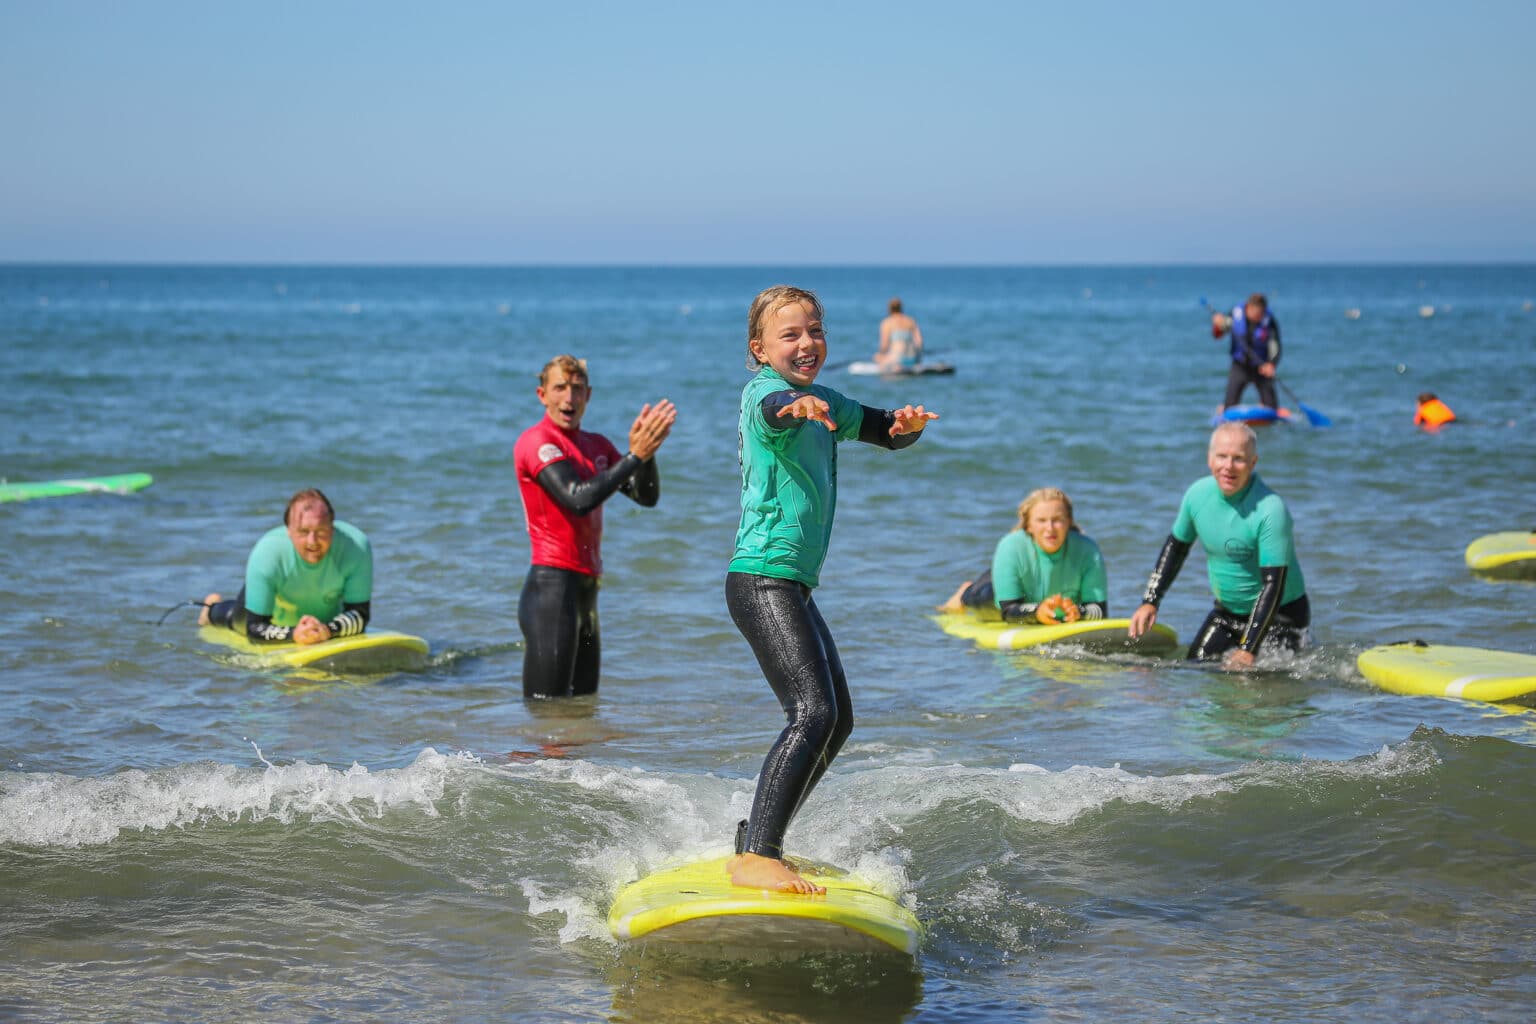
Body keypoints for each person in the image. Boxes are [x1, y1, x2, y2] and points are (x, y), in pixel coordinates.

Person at [727, 285, 937, 893]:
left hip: (791, 585)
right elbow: (774, 411)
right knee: (812, 712)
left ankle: (756, 838)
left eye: (815, 331)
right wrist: (793, 406)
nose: (807, 343)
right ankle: (758, 855)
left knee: (837, 719)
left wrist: (907, 428)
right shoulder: (764, 393)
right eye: (790, 334)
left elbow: (881, 429)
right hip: (762, 577)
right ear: (759, 349)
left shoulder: (825, 401)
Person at [513, 355, 676, 699]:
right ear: (542, 395)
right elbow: (577, 498)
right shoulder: (537, 442)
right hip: (551, 589)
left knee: (584, 707)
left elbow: (646, 496)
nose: (569, 398)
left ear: (588, 395)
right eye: (560, 388)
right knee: (547, 708)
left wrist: (646, 455)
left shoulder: (596, 445)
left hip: (587, 591)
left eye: (577, 389)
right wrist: (633, 457)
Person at [1128, 422, 1310, 669]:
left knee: (1255, 684)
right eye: (1222, 456)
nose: (1228, 466)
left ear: (1253, 463)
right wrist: (1151, 600)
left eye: (1239, 459)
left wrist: (1248, 649)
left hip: (1280, 617)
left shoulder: (1271, 509)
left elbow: (1273, 585)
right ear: (1209, 459)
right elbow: (1176, 548)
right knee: (1194, 669)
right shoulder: (1197, 496)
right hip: (1227, 614)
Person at [199, 488, 372, 645]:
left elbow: (361, 614)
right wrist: (294, 634)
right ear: (288, 531)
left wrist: (327, 630)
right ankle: (210, 609)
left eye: (321, 531)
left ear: (332, 528)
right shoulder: (268, 553)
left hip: (323, 619)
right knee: (236, 621)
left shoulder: (355, 547)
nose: (312, 542)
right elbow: (254, 628)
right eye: (303, 532)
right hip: (273, 611)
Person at [939, 488, 1108, 623]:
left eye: (1057, 519)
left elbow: (1100, 610)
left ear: (1069, 521)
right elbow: (1008, 611)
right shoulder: (1011, 546)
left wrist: (1079, 612)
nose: (1050, 528)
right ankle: (964, 592)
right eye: (1041, 520)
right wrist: (1037, 613)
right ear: (1028, 526)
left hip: (1031, 592)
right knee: (982, 597)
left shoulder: (1088, 550)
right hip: (997, 591)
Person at [1211, 293, 1282, 411]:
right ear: (1248, 307)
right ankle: (1224, 408)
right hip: (1240, 365)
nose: (1258, 317)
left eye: (1261, 314)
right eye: (1256, 313)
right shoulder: (1235, 315)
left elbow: (1276, 345)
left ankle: (1265, 407)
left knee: (1272, 405)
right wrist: (1217, 325)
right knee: (1230, 404)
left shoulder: (1269, 321)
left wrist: (1271, 364)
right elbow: (1217, 335)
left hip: (1261, 367)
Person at [873, 297, 924, 371]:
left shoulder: (887, 322)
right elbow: (920, 342)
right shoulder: (911, 321)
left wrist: (881, 355)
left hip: (897, 358)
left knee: (876, 357)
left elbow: (884, 345)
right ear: (901, 307)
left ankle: (896, 367)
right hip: (913, 357)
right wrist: (918, 355)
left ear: (889, 308)